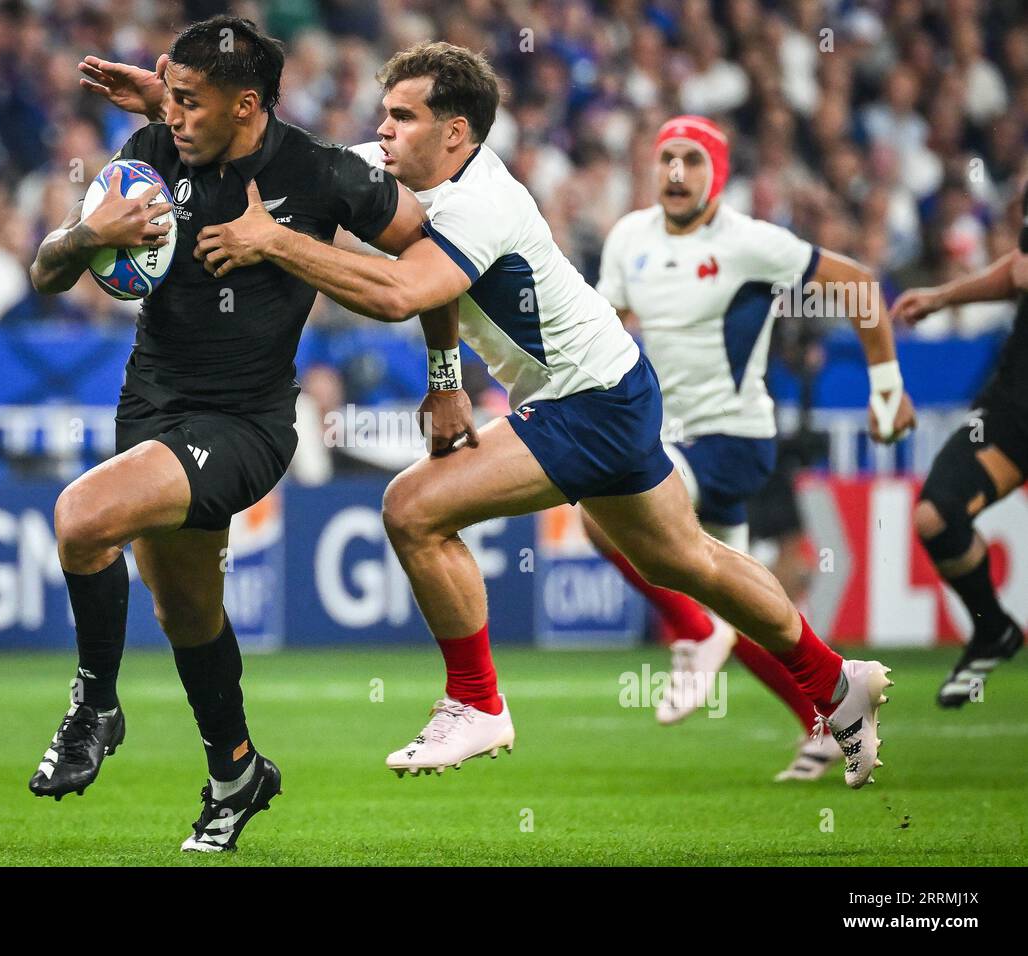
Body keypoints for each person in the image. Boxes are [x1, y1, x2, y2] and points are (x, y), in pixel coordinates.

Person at [191, 42, 893, 789]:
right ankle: (835, 682)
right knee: (685, 560)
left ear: (454, 132)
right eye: (384, 114)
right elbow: (297, 155)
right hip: (613, 383)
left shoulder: (481, 202)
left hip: (584, 399)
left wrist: (276, 240)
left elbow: (401, 292)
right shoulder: (409, 171)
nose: (384, 129)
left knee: (412, 507)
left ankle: (476, 701)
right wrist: (180, 104)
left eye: (403, 116)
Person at [29, 17, 438, 853]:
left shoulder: (321, 173)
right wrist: (87, 236)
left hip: (247, 423)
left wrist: (448, 382)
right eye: (167, 96)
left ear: (245, 105)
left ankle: (95, 707)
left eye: (188, 100)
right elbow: (46, 271)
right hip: (149, 407)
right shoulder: (149, 151)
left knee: (81, 518)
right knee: (187, 610)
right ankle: (238, 772)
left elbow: (430, 259)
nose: (170, 112)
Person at [587, 115, 916, 781]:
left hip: (733, 442)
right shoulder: (628, 236)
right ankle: (830, 718)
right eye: (667, 158)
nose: (676, 172)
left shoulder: (750, 242)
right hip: (669, 439)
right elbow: (602, 332)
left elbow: (857, 284)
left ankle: (697, 632)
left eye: (692, 159)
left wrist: (887, 386)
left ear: (718, 172)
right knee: (738, 602)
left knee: (601, 507)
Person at [893, 184, 1028, 707]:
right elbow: (1019, 269)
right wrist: (944, 295)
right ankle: (993, 629)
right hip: (1015, 409)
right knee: (936, 515)